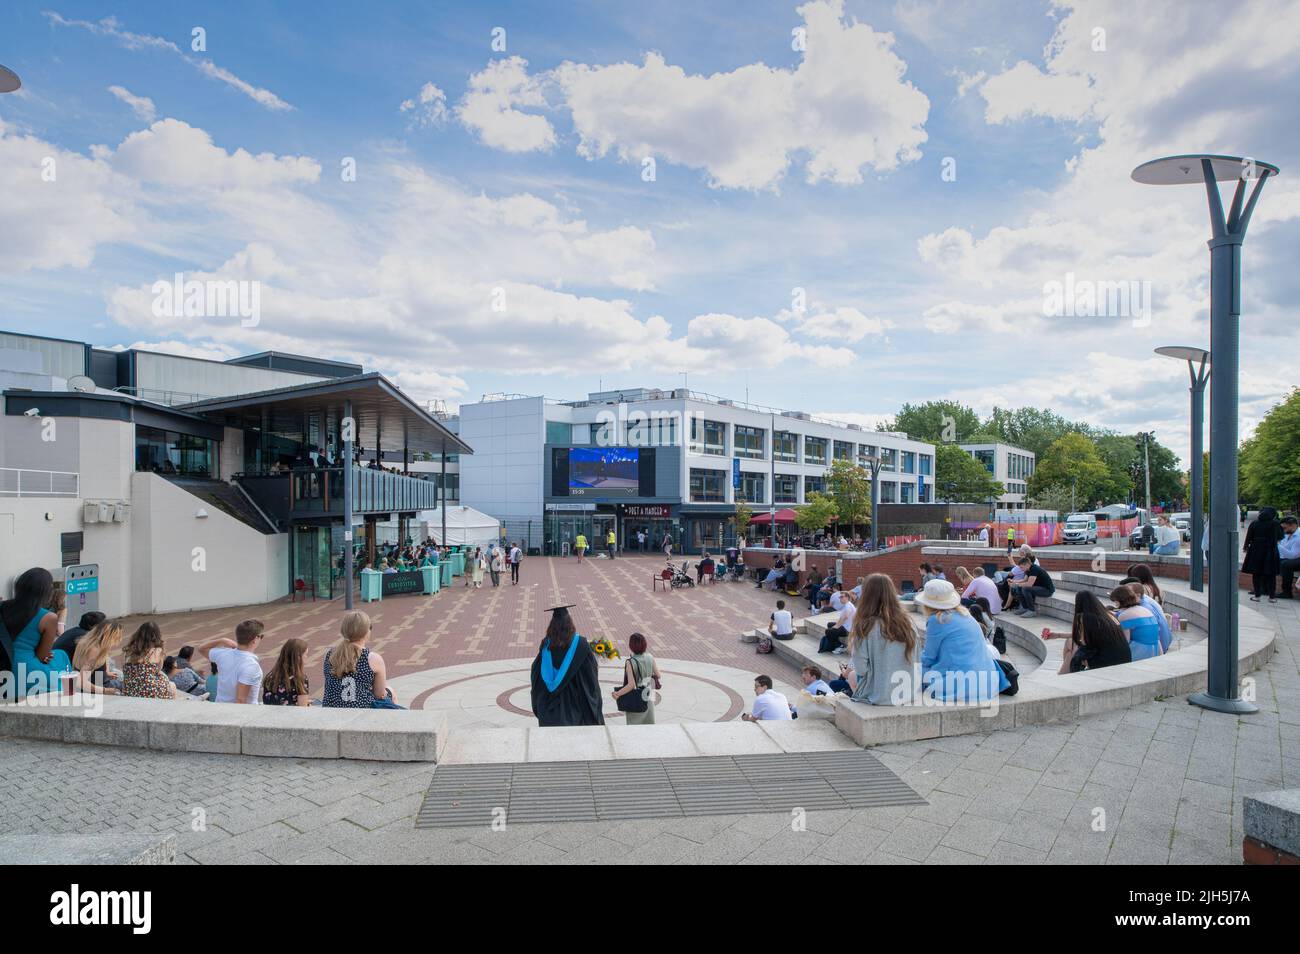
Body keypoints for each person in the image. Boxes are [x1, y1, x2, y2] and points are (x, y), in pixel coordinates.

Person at [827, 574, 919, 705]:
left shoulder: (866, 625)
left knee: (850, 677)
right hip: (907, 692)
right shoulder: (909, 623)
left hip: (880, 695)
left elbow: (861, 669)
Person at [915, 579, 1009, 703]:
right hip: (986, 683)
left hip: (961, 685)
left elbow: (928, 657)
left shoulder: (937, 620)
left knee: (911, 670)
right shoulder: (966, 615)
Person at [1, 567, 70, 698]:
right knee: (61, 656)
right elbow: (41, 656)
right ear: (46, 592)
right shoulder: (48, 617)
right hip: (24, 672)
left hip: (2, 665)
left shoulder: (2, 606)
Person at [530, 605, 603, 726]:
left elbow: (536, 676)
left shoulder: (546, 645)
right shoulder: (581, 645)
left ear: (552, 625)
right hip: (575, 711)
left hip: (549, 712)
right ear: (570, 624)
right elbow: (590, 680)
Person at [324, 611, 400, 708]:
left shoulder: (330, 654)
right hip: (361, 710)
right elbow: (379, 694)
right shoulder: (373, 658)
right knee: (390, 691)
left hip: (331, 709)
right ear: (366, 632)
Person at [1043, 591, 1132, 674]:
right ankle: (1064, 674)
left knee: (1071, 644)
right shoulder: (1108, 614)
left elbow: (1083, 642)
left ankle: (1065, 674)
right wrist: (1058, 635)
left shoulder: (1085, 617)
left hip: (1105, 662)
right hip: (1124, 658)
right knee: (1071, 645)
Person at [197, 620, 266, 704]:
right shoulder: (251, 666)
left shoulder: (223, 654)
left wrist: (222, 640)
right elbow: (240, 700)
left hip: (220, 707)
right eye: (261, 636)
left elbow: (201, 649)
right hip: (241, 714)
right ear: (255, 639)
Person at [610, 631, 659, 725]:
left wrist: (617, 693)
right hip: (649, 695)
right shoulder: (650, 656)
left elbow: (631, 685)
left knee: (635, 726)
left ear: (631, 646)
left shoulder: (631, 662)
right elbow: (658, 675)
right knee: (649, 724)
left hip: (637, 698)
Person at [121, 622, 177, 699]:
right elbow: (158, 670)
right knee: (172, 685)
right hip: (151, 691)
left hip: (130, 691)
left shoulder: (128, 651)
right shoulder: (157, 650)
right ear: (157, 635)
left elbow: (125, 671)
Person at [1117, 578, 1172, 652]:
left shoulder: (1143, 607)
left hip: (1157, 646)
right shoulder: (1145, 600)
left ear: (1137, 595)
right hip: (1160, 644)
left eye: (1127, 594)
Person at [1110, 584, 1163, 661]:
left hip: (1142, 651)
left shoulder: (1124, 615)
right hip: (1156, 649)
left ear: (1119, 601)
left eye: (1115, 601)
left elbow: (1125, 642)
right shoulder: (1144, 609)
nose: (1115, 604)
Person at [70, 620, 125, 695]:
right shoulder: (95, 651)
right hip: (97, 690)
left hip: (99, 682)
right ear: (108, 637)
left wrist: (106, 672)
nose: (117, 642)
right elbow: (81, 682)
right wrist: (105, 690)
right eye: (116, 638)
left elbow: (105, 656)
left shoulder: (85, 642)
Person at [1242, 507, 1284, 602]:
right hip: (1270, 551)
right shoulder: (1275, 524)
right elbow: (1281, 536)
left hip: (1255, 550)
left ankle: (1257, 596)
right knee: (1271, 574)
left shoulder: (1254, 523)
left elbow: (1249, 537)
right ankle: (1272, 597)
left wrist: (1245, 547)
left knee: (1256, 574)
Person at [263, 637, 311, 706]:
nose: (307, 657)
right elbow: (302, 708)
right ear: (298, 657)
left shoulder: (270, 676)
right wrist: (307, 705)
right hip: (290, 716)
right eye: (306, 654)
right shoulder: (300, 679)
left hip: (269, 715)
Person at [1279, 515, 1300, 599]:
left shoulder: (1299, 537)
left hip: (1297, 558)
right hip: (1293, 557)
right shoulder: (1287, 534)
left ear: (1293, 525)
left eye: (1284, 528)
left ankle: (1287, 592)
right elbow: (1283, 551)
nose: (1283, 531)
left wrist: (1277, 545)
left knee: (1286, 564)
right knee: (1269, 559)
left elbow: (1292, 555)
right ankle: (1264, 588)